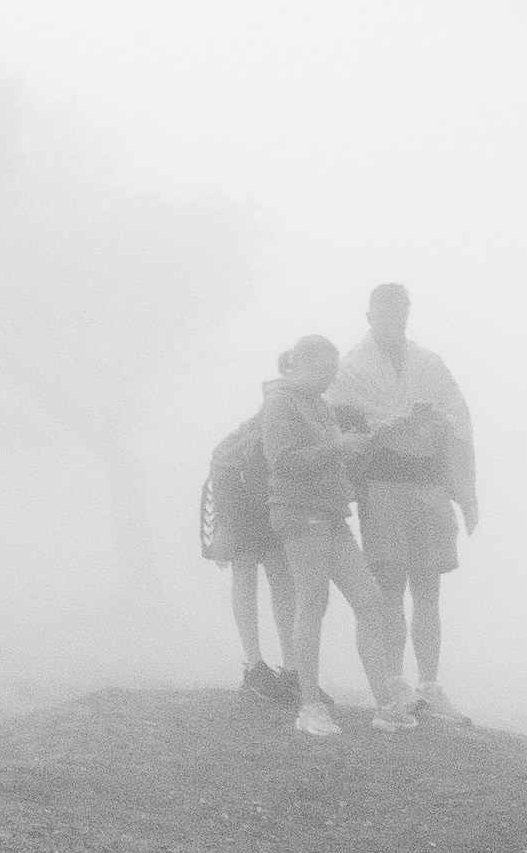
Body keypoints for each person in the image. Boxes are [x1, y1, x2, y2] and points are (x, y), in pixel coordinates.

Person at [332, 278, 476, 724]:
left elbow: (458, 421)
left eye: (401, 314)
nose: (393, 322)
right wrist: (387, 425)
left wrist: (467, 492)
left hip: (430, 484)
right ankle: (394, 685)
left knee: (429, 587)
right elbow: (343, 425)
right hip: (383, 484)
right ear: (370, 315)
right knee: (389, 589)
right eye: (385, 313)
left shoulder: (430, 364)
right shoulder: (351, 367)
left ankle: (429, 684)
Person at [252, 335, 405, 735]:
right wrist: (338, 447)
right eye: (325, 371)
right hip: (299, 514)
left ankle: (385, 704)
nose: (330, 378)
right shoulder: (280, 402)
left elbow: (329, 455)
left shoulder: (318, 404)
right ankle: (310, 706)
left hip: (331, 514)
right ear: (301, 364)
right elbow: (281, 461)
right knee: (314, 601)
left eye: (333, 372)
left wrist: (359, 447)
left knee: (369, 600)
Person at [194, 400, 295, 707]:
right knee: (260, 574)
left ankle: (280, 668)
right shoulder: (274, 423)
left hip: (254, 498)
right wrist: (229, 529)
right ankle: (261, 667)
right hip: (241, 500)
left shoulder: (266, 423)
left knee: (271, 577)